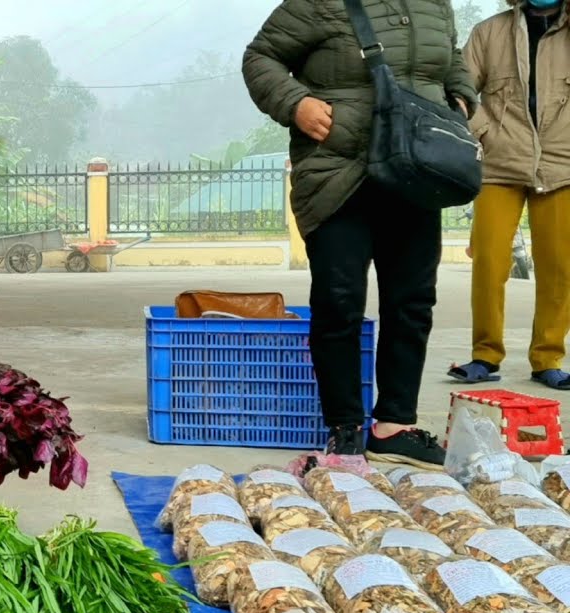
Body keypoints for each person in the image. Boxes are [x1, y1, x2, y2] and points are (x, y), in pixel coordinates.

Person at [243, 0, 479, 469]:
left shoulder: (436, 4)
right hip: (339, 172)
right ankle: (345, 428)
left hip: (415, 169)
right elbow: (260, 57)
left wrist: (461, 94)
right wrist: (296, 104)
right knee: (339, 301)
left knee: (411, 301)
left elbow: (449, 57)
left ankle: (394, 426)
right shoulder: (317, 3)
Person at [448, 0, 570, 391]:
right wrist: (483, 129)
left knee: (558, 264)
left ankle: (548, 357)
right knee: (489, 257)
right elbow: (459, 89)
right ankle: (485, 354)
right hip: (500, 162)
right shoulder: (489, 32)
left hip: (561, 161)